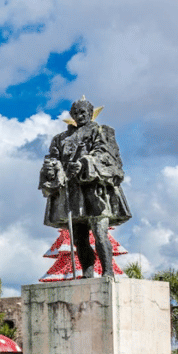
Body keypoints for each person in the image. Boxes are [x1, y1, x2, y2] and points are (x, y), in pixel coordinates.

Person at [39, 97, 131, 277]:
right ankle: (88, 273)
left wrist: (84, 162)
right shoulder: (60, 138)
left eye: (83, 112)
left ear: (90, 114)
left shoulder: (101, 131)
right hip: (72, 192)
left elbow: (105, 154)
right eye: (76, 113)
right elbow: (52, 157)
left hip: (95, 191)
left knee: (99, 232)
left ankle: (108, 272)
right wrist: (53, 168)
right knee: (79, 237)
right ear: (72, 115)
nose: (80, 116)